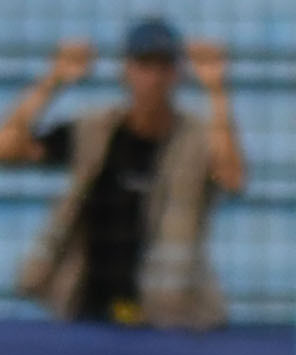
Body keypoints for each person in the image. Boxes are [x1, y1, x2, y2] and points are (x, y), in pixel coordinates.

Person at [2, 18, 246, 328]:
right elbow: (7, 149)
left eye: (164, 66)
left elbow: (232, 177)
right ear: (126, 70)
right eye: (145, 64)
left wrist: (217, 90)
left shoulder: (197, 140)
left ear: (177, 74)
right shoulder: (94, 132)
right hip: (88, 307)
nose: (154, 78)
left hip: (168, 315)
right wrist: (53, 80)